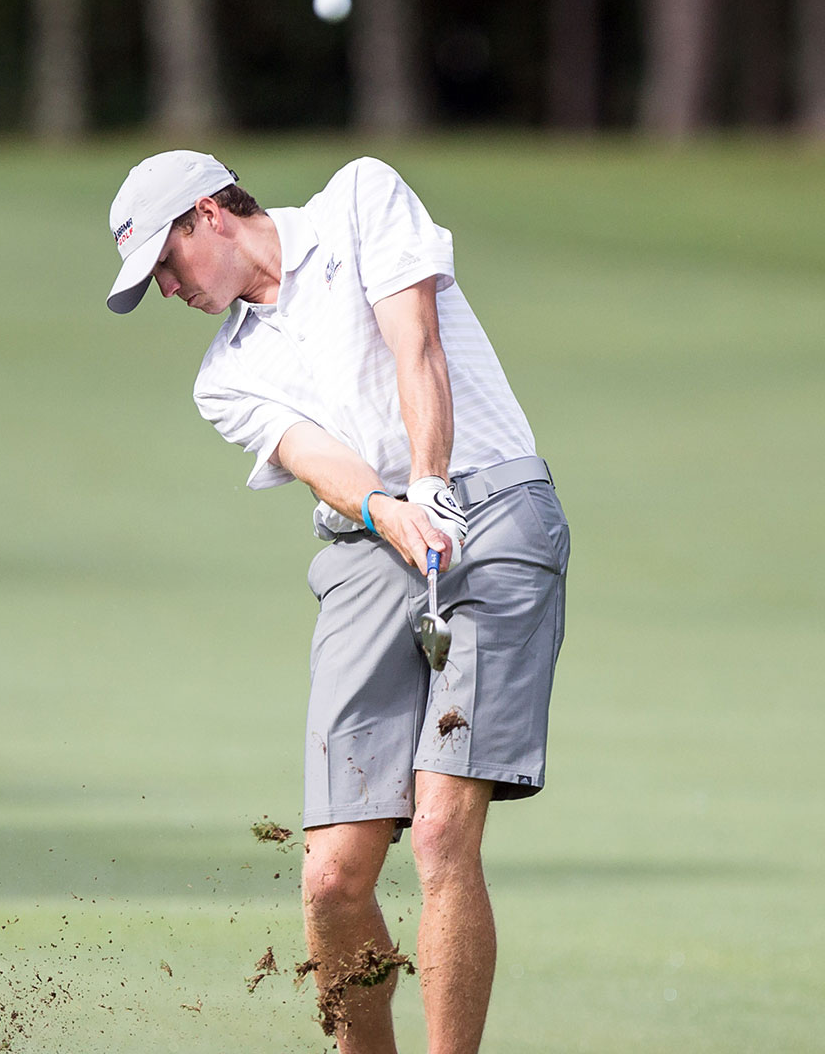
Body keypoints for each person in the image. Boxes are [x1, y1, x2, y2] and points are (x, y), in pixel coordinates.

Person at [103, 150, 569, 1054]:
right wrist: (393, 510)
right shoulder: (223, 376)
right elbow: (322, 462)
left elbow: (416, 341)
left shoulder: (359, 198)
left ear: (209, 214)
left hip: (494, 514)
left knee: (437, 834)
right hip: (369, 548)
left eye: (165, 262)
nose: (167, 289)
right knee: (331, 882)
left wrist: (428, 482)